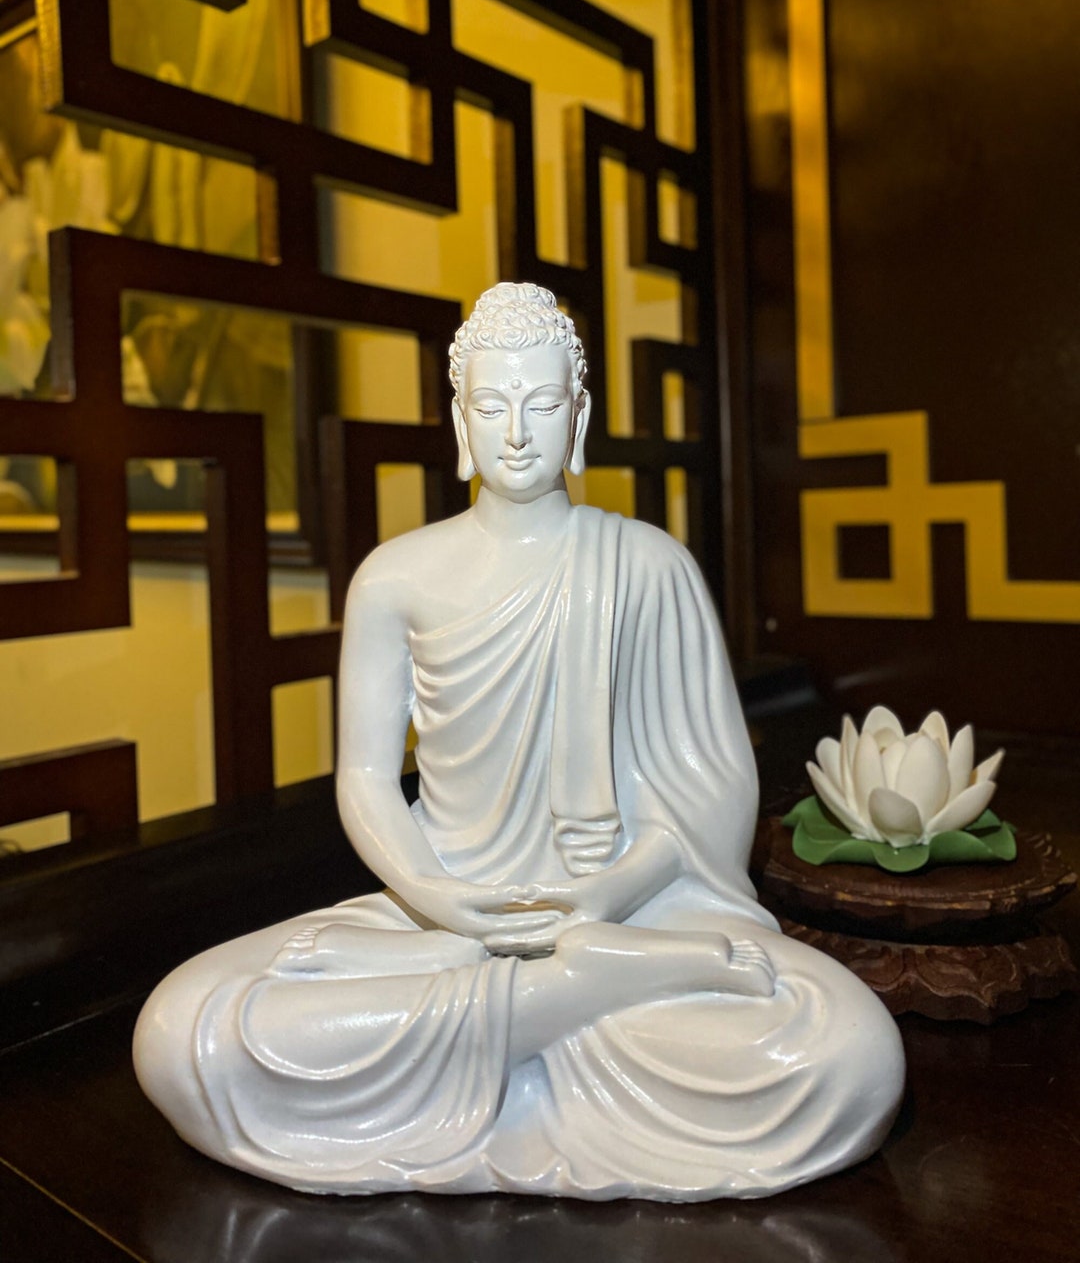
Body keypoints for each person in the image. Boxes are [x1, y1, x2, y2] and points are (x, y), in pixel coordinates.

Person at [134, 282, 904, 1200]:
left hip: (631, 909)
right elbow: (371, 778)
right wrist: (442, 906)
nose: (516, 433)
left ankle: (544, 989)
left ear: (579, 416)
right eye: (491, 406)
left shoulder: (649, 566)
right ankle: (572, 994)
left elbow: (706, 792)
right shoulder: (396, 576)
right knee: (181, 1030)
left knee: (851, 1055)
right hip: (447, 904)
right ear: (458, 418)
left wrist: (603, 895)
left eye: (542, 405)